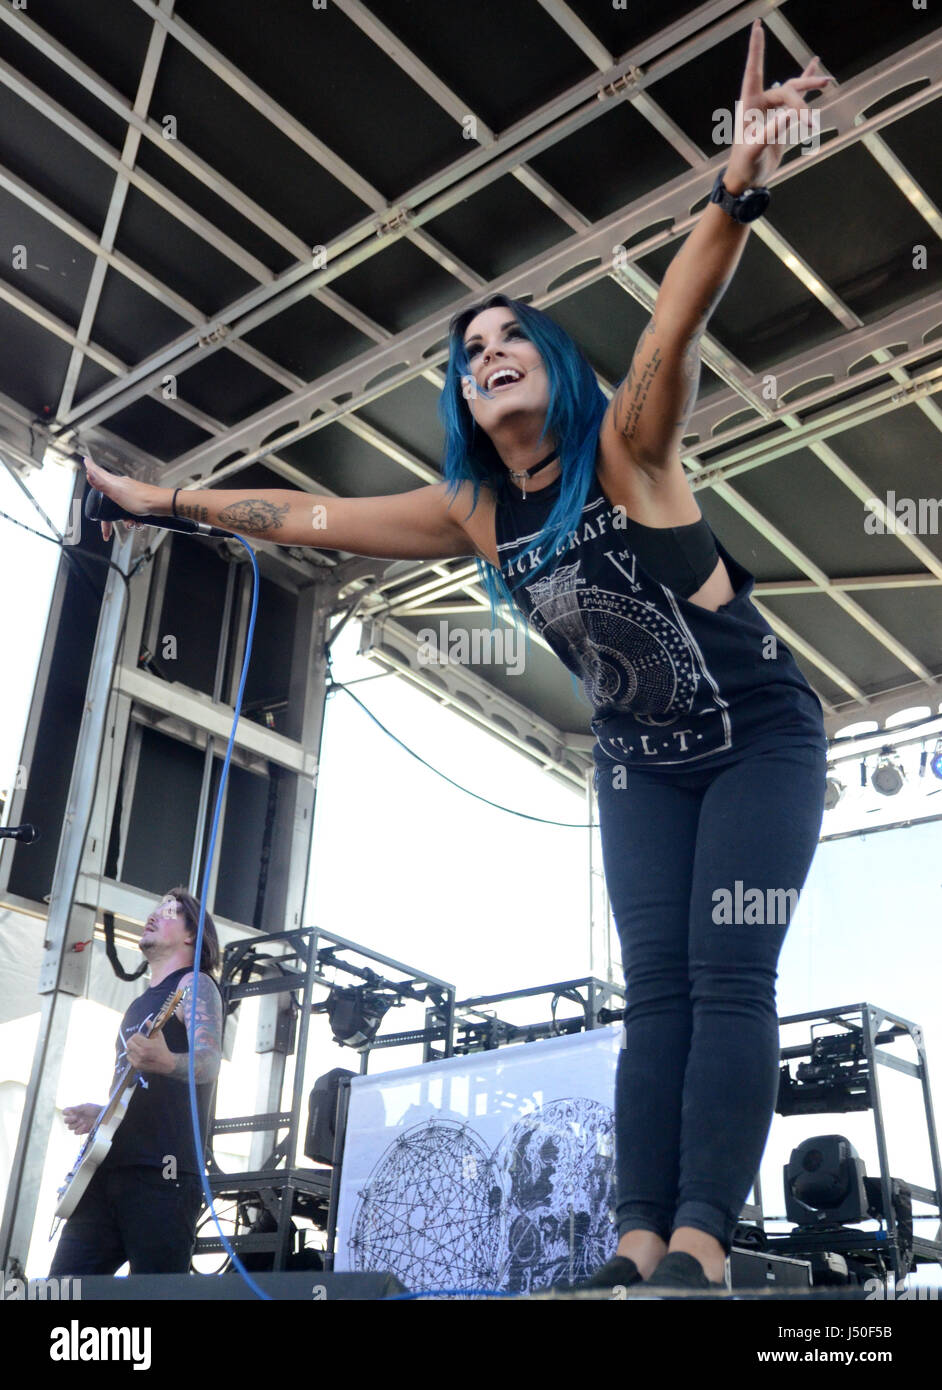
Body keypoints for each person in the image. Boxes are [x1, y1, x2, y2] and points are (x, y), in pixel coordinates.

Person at [84, 21, 832, 1292]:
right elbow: (313, 517)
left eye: (510, 335)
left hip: (757, 731)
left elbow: (674, 317)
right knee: (653, 991)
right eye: (467, 351)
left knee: (724, 972)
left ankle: (702, 1245)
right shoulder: (479, 511)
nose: (486, 349)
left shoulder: (627, 451)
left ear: (554, 364)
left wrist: (739, 182)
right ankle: (638, 1246)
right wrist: (169, 502)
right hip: (641, 761)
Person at [50, 889, 223, 1277]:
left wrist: (166, 1060)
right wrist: (104, 1114)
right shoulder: (140, 1002)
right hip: (107, 1170)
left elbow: (209, 1062)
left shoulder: (194, 986)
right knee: (64, 1287)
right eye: (157, 906)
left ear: (191, 936)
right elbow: (138, 1089)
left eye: (170, 910)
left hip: (163, 1174)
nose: (155, 914)